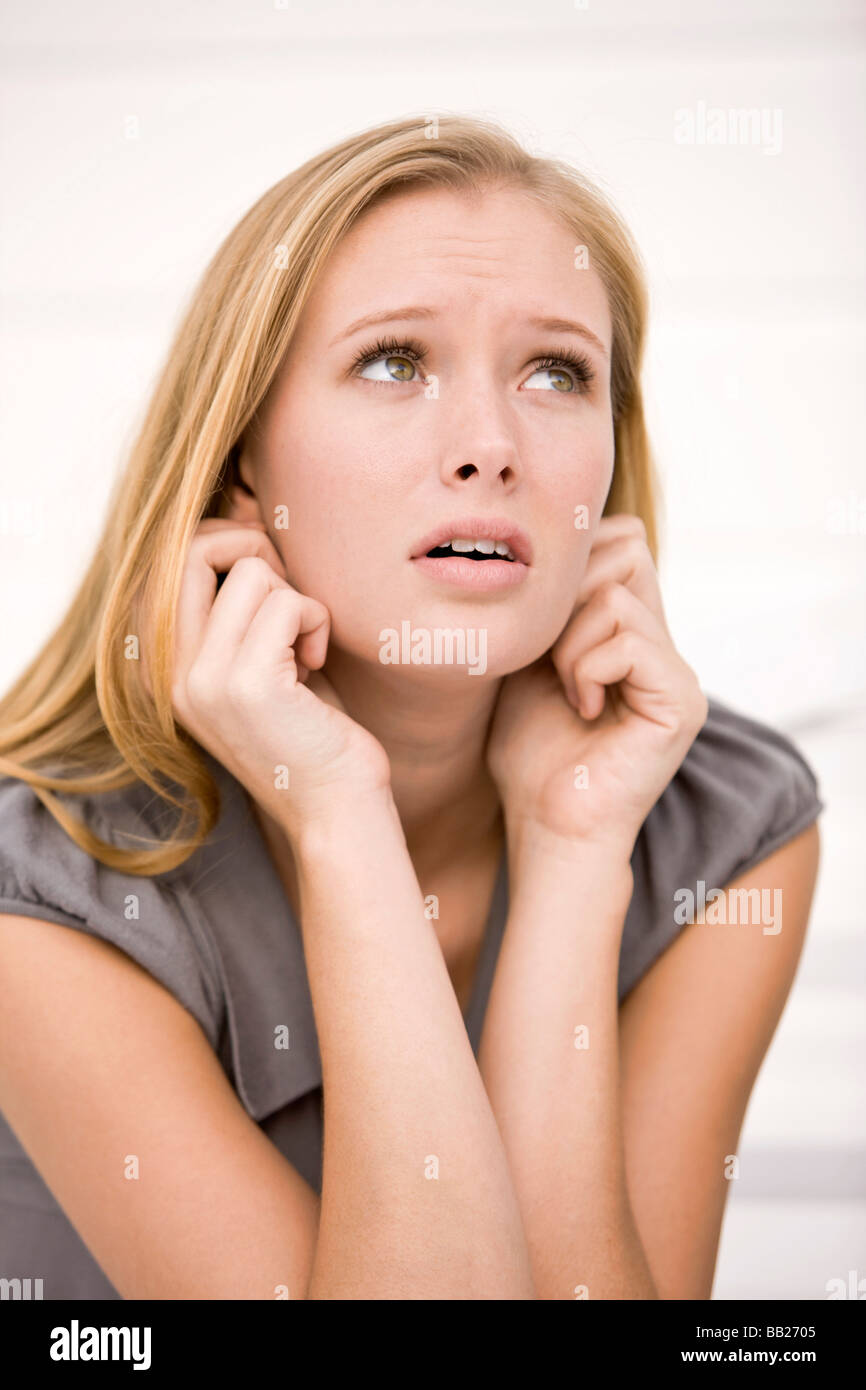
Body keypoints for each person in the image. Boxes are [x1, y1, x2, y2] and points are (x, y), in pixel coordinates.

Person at [0, 113, 823, 1300]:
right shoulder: (47, 892)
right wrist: (338, 817)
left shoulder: (722, 825)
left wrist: (575, 845)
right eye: (393, 361)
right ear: (243, 461)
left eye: (555, 372)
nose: (490, 445)